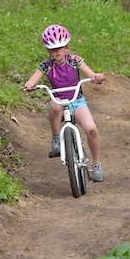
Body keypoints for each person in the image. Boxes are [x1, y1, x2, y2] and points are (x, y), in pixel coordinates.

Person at [21, 24, 106, 182]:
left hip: (77, 101)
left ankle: (96, 163)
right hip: (59, 102)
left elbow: (90, 73)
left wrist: (96, 77)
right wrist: (30, 84)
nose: (57, 52)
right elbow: (33, 79)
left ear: (66, 46)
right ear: (48, 50)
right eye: (53, 49)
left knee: (92, 129)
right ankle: (55, 139)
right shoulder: (46, 65)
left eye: (60, 47)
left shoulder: (75, 60)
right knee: (54, 104)